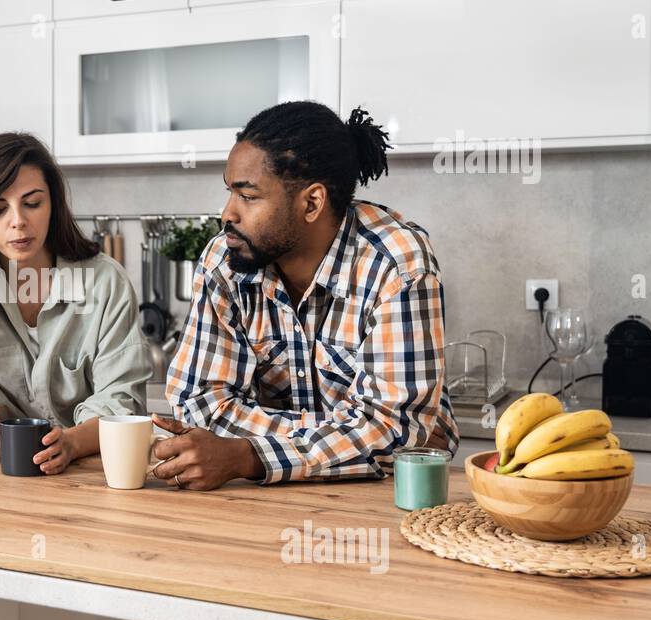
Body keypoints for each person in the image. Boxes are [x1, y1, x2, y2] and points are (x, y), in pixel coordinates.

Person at [153, 100, 458, 489]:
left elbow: (396, 435)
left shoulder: (397, 265)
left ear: (311, 203)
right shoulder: (223, 261)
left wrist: (248, 454)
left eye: (248, 196)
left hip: (388, 497)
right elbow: (197, 405)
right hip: (266, 500)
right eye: (230, 192)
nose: (227, 213)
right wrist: (352, 432)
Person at [0, 131, 151, 475]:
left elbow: (121, 401)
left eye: (32, 203)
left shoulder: (105, 282)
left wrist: (71, 443)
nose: (18, 221)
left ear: (53, 205)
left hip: (89, 476)